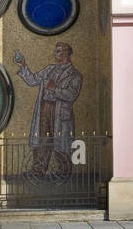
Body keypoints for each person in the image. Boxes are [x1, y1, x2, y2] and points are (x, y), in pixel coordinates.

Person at [15, 44, 82, 180]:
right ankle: (37, 171)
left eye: (58, 51)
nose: (55, 53)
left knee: (61, 143)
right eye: (55, 50)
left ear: (66, 53)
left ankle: (63, 174)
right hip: (44, 108)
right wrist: (23, 65)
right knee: (42, 140)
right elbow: (33, 80)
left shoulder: (75, 75)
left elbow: (71, 95)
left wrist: (54, 89)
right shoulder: (49, 69)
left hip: (60, 112)